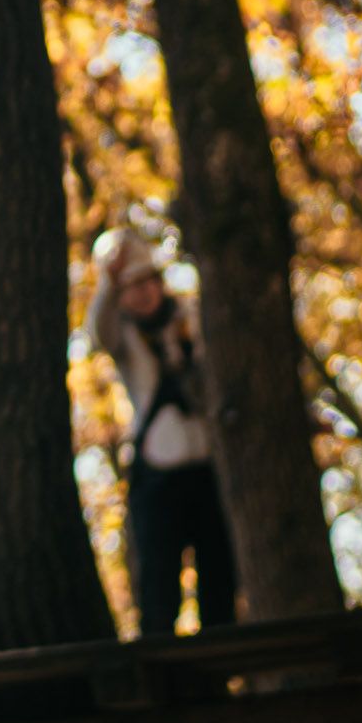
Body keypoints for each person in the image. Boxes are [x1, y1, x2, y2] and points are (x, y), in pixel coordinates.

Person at [87, 225, 239, 640]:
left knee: (219, 584)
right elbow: (98, 332)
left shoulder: (191, 319)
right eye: (130, 287)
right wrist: (107, 283)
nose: (142, 293)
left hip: (207, 471)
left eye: (146, 281)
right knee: (159, 588)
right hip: (157, 477)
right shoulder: (125, 338)